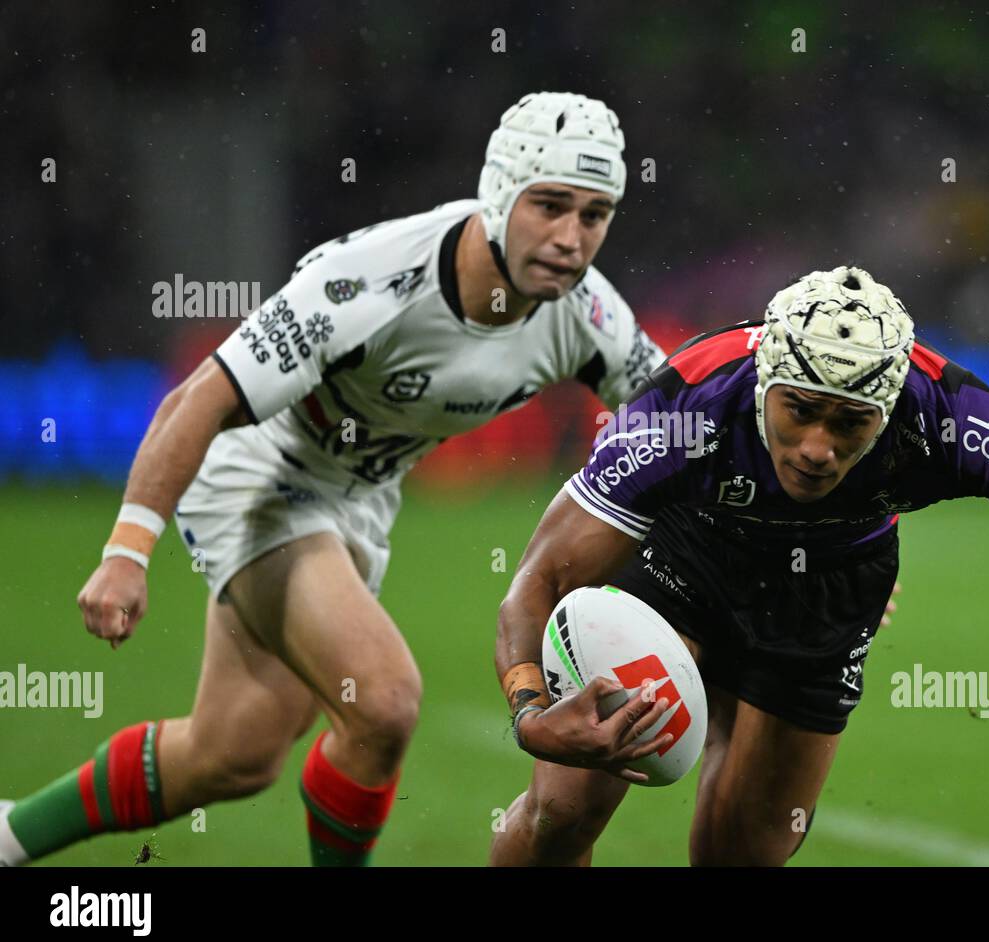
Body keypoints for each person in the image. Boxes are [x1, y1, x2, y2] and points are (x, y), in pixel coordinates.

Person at [0, 91, 665, 867]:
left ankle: (11, 834)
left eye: (594, 215)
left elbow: (670, 425)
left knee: (232, 754)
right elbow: (199, 399)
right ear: (500, 193)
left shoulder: (586, 315)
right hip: (263, 479)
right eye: (549, 205)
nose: (569, 238)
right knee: (382, 702)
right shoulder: (371, 282)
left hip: (362, 502)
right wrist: (126, 550)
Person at [489, 265, 989, 867]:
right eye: (799, 411)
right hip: (682, 562)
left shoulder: (948, 416)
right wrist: (530, 712)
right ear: (764, 386)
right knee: (565, 811)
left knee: (744, 854)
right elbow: (541, 579)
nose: (818, 446)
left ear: (888, 409)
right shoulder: (690, 402)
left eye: (850, 423)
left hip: (830, 594)